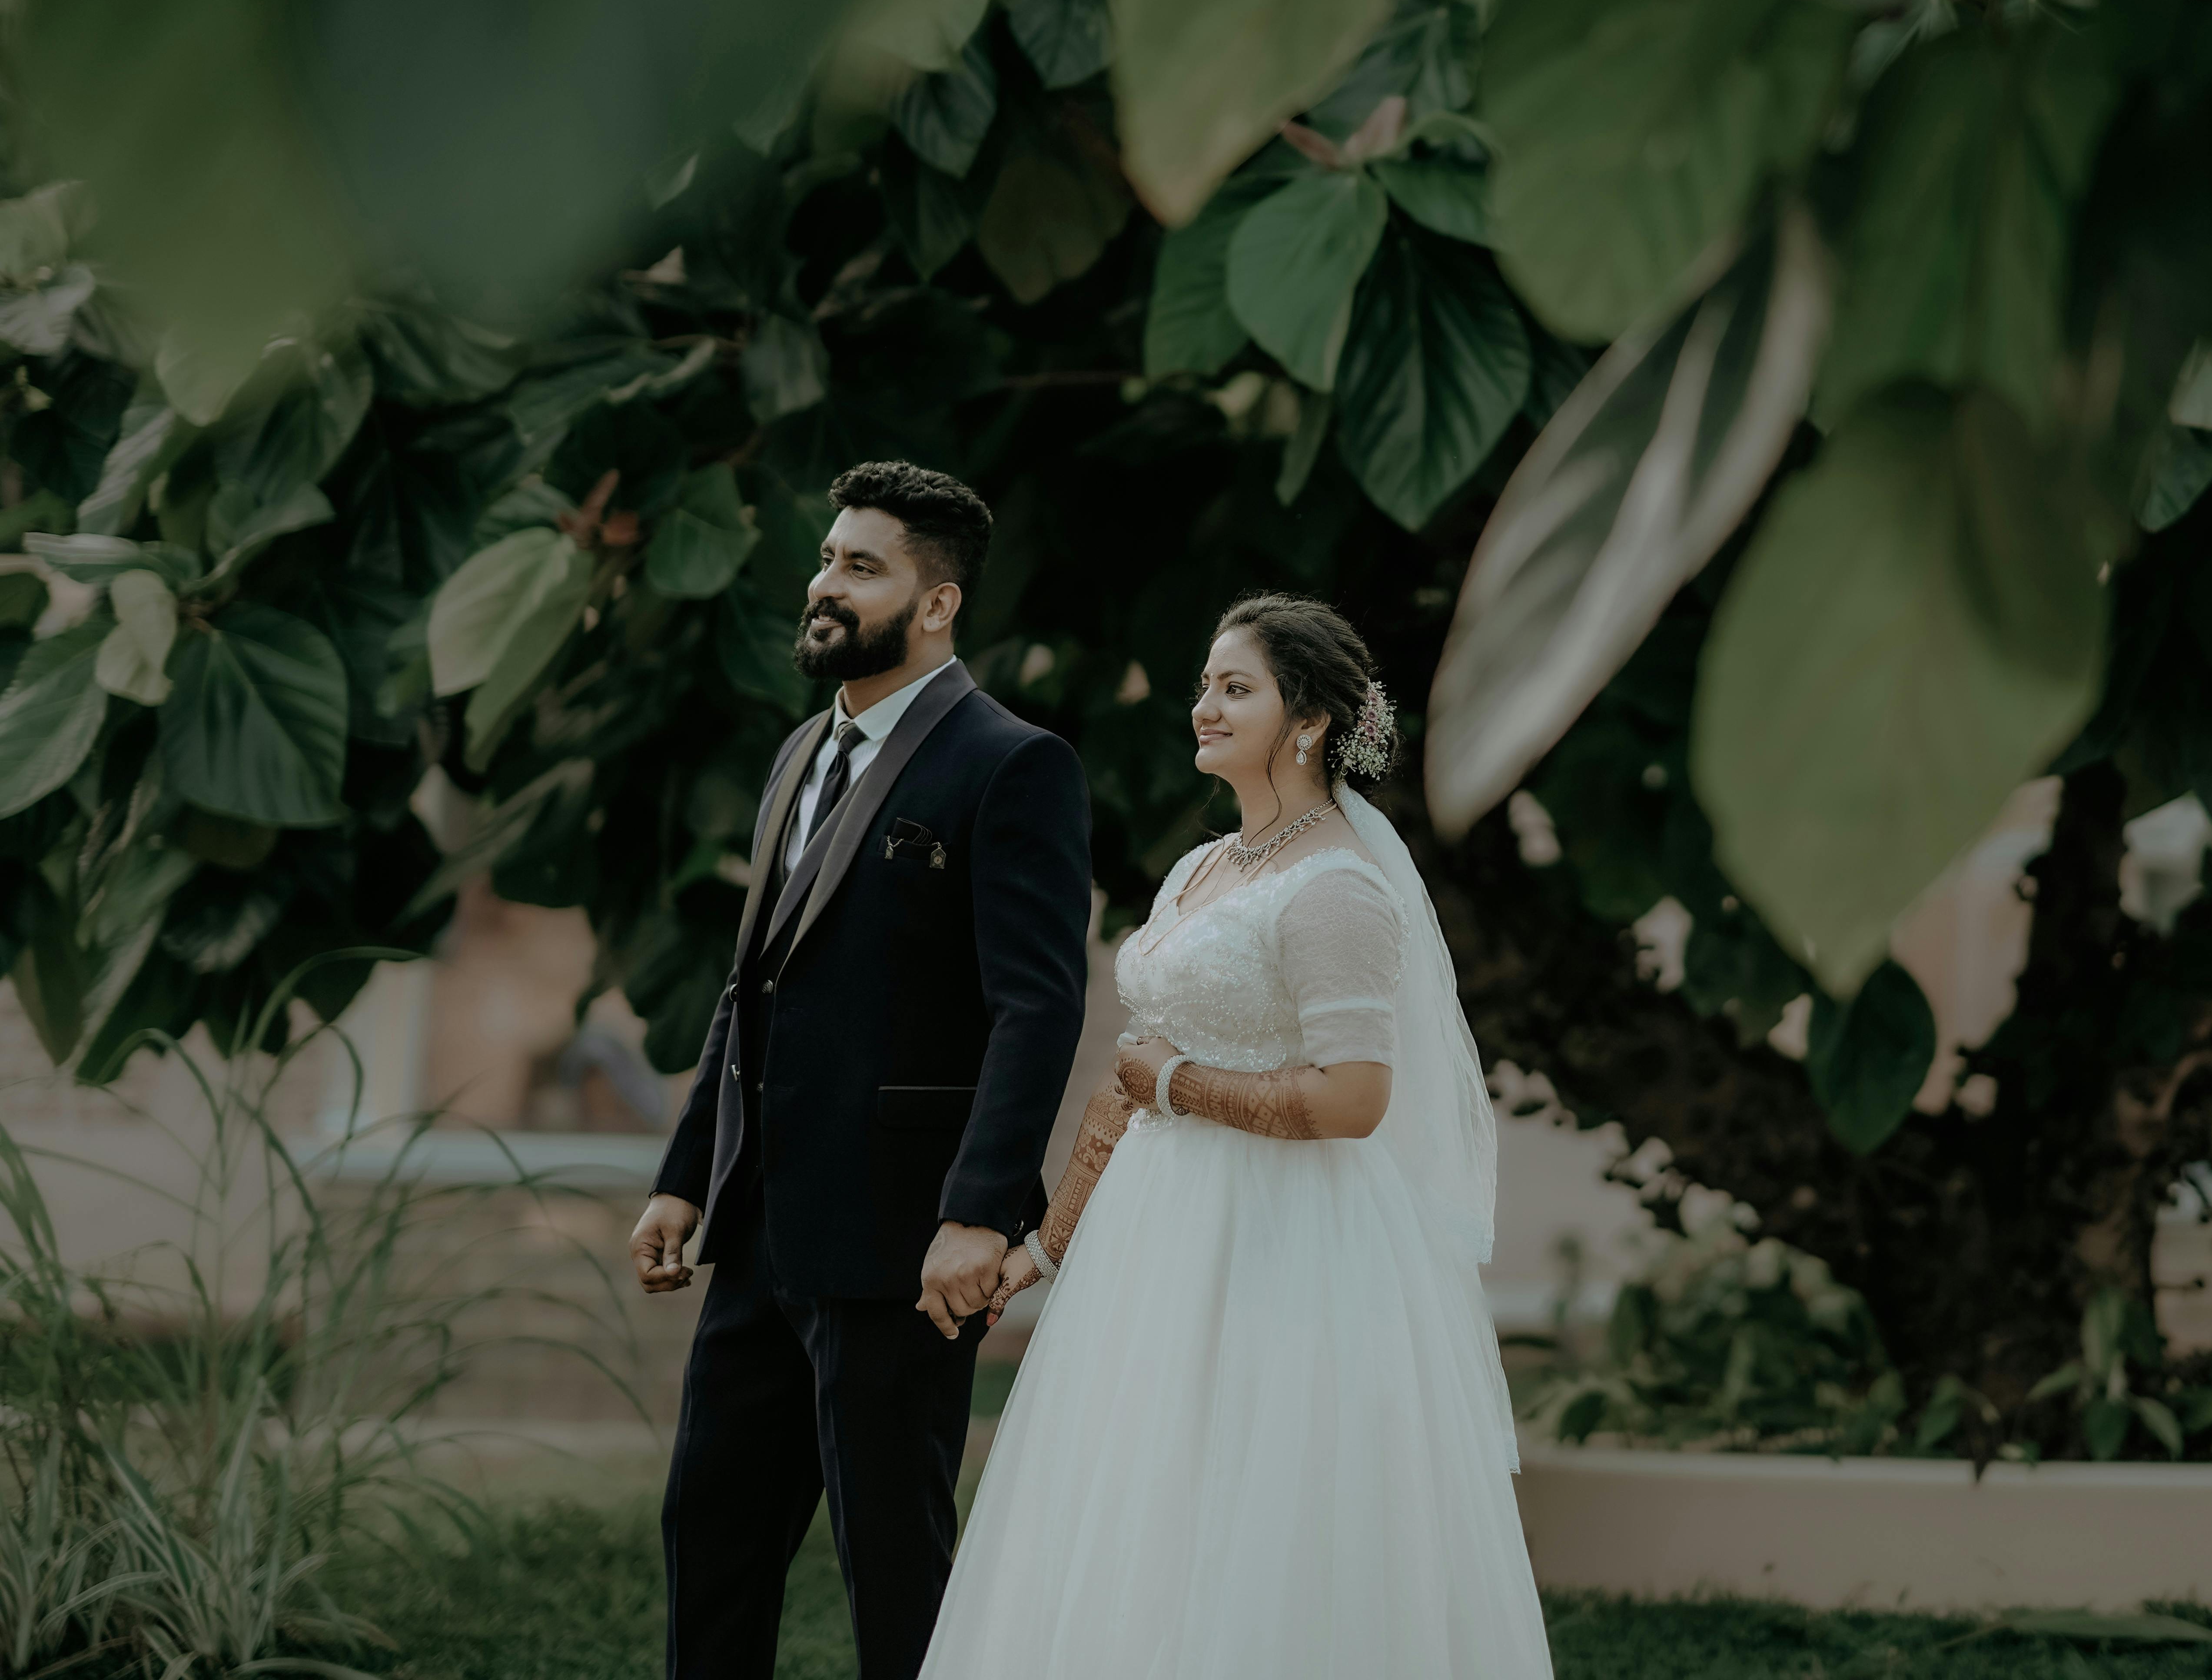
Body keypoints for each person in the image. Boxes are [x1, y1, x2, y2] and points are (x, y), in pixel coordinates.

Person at [915, 593, 1551, 1679]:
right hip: (1152, 1245)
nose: (1203, 706)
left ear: (1305, 718)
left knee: (1263, 1514)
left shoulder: (1338, 887)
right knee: (1135, 1507)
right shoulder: (1202, 869)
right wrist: (1047, 1248)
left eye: (1235, 687)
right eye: (1207, 685)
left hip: (1291, 1245)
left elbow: (1354, 1097)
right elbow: (1126, 1082)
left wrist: (1182, 1085)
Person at [626, 461, 1091, 1680]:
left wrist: (976, 1212)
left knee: (895, 1564)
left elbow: (1037, 1009)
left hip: (901, 1248)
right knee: (711, 1536)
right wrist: (686, 1177)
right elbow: (753, 990)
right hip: (760, 1226)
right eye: (829, 559)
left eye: (860, 566)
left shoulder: (1013, 763)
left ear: (936, 606)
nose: (825, 585)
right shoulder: (797, 756)